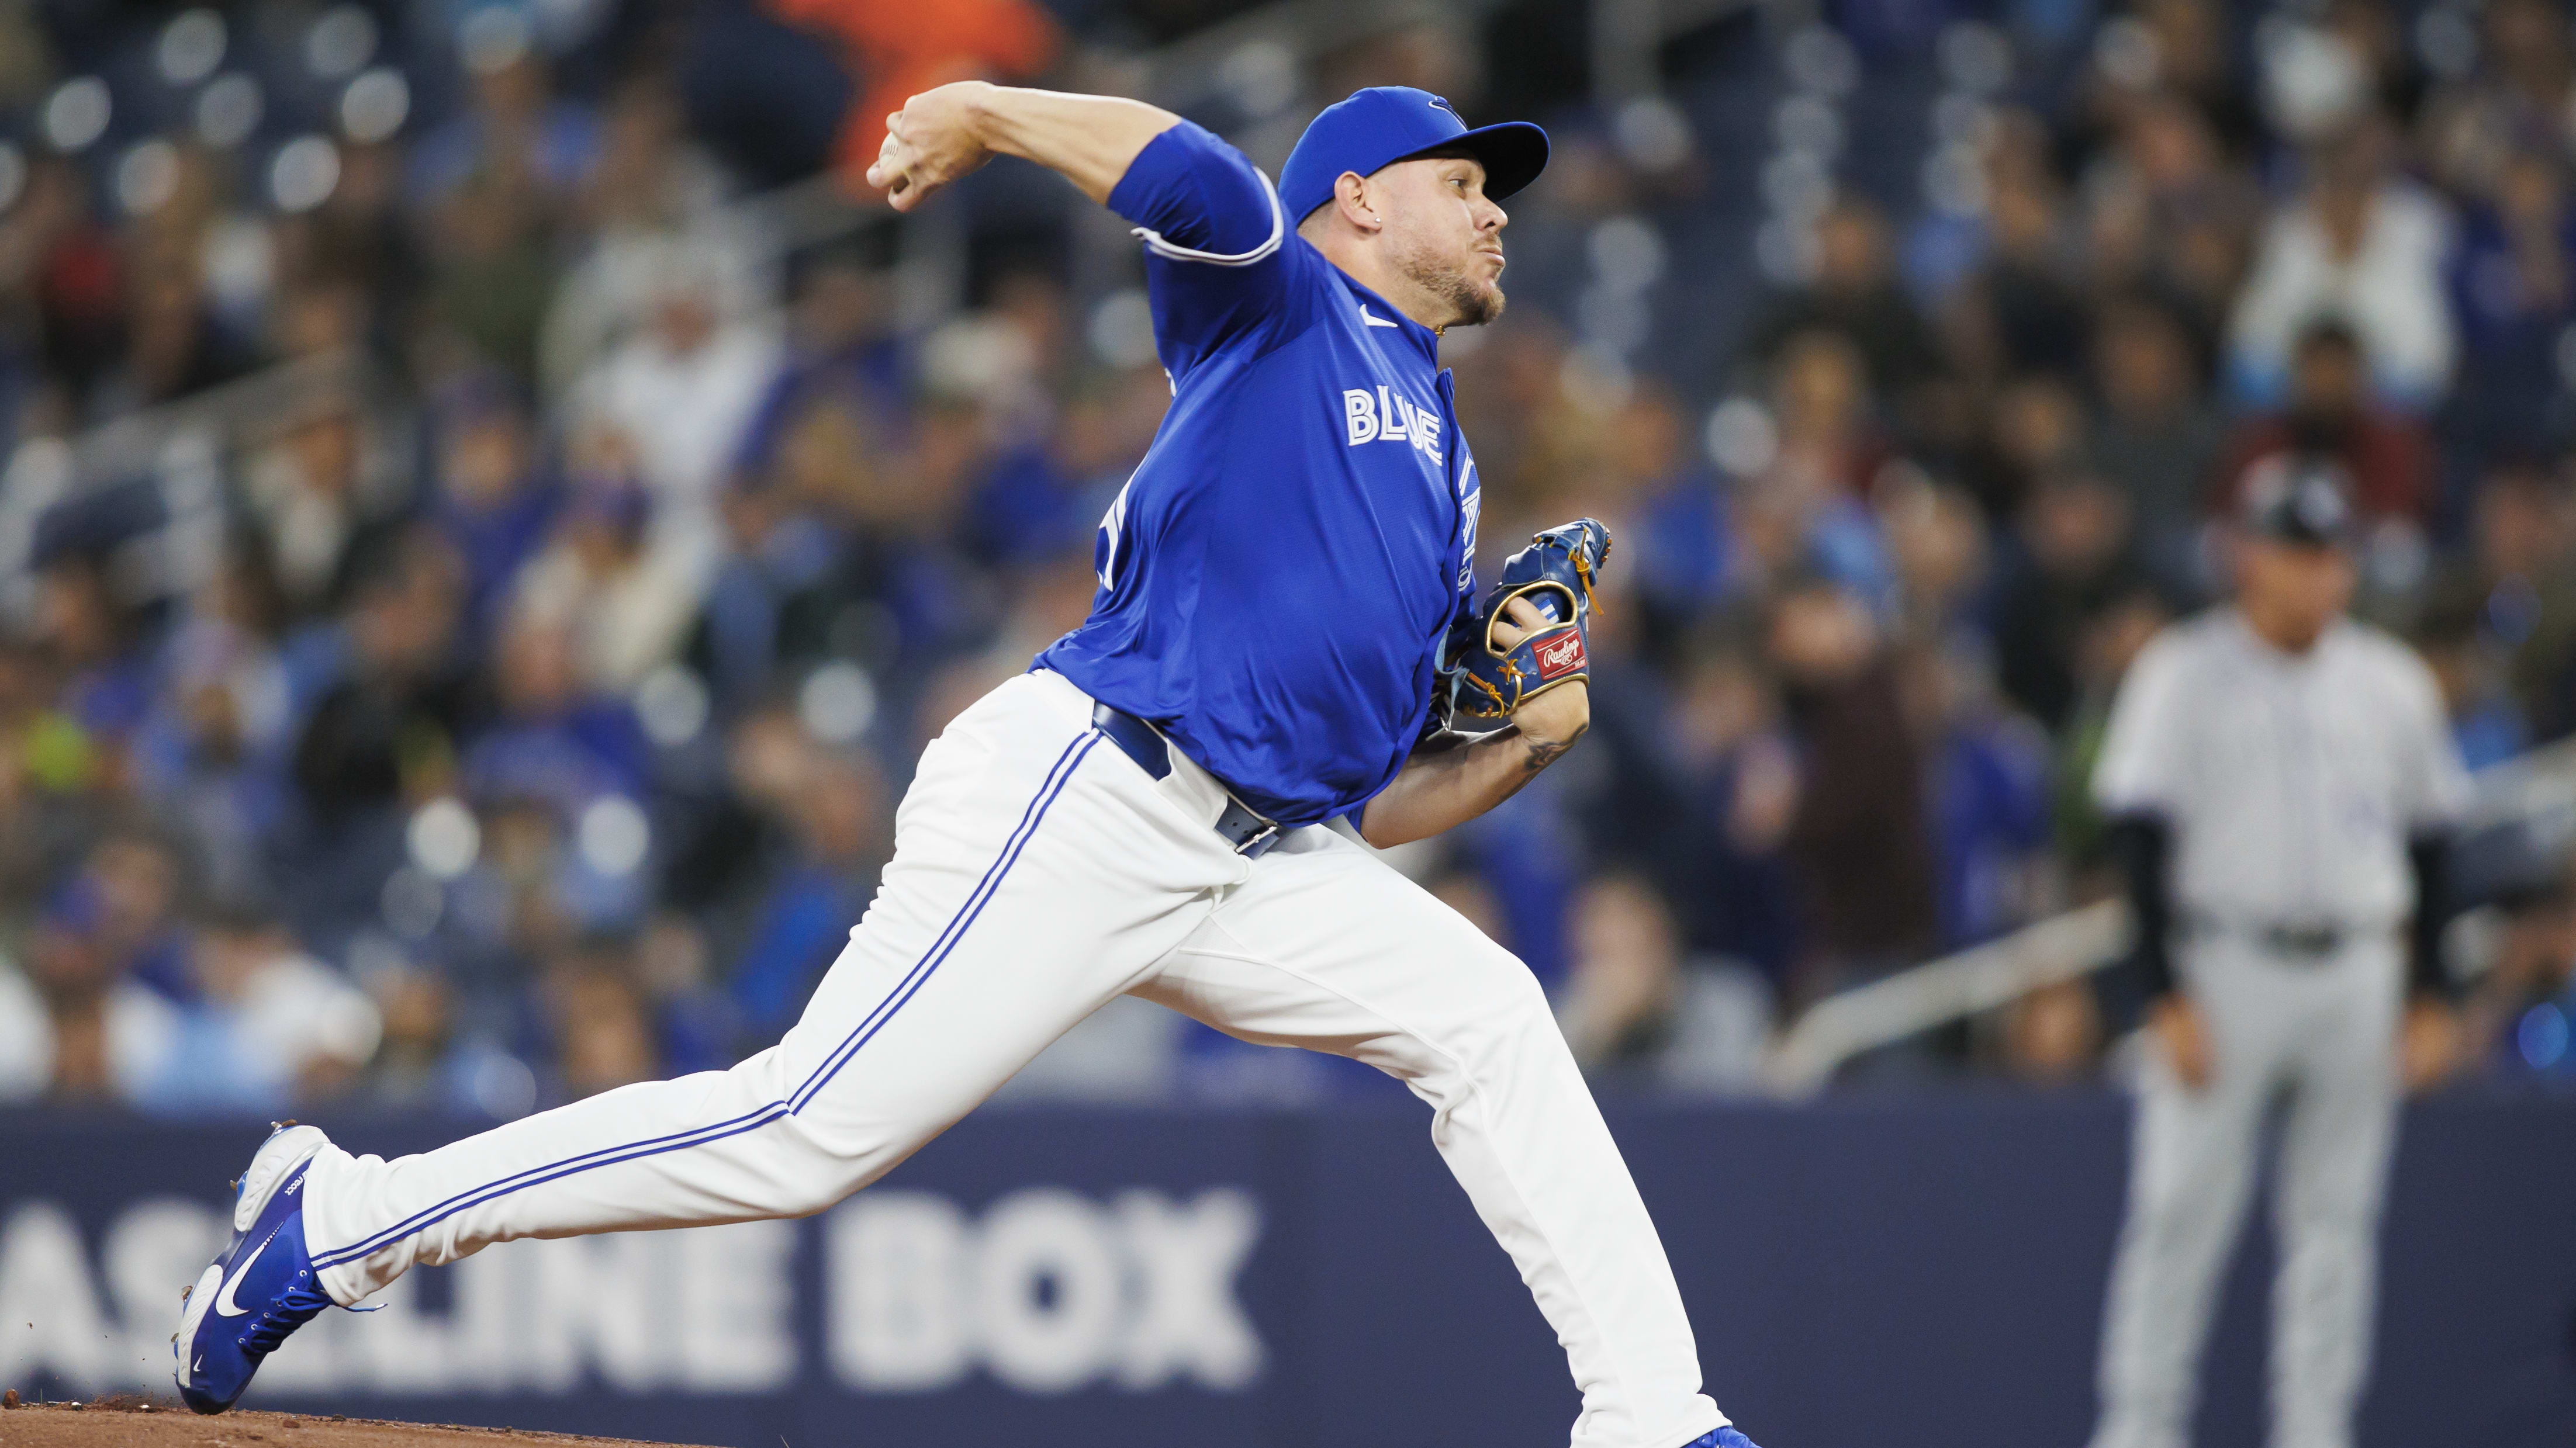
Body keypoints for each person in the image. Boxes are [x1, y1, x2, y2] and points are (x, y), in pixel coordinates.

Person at [175, 84, 1761, 1448]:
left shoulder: (1442, 450)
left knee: (1489, 1012)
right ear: (1357, 198)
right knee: (796, 1130)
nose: (1496, 215)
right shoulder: (1283, 308)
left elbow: (1367, 804)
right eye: (1466, 181)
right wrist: (989, 112)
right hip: (1093, 792)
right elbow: (1201, 176)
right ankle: (343, 1220)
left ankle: (1654, 1413)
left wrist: (1523, 748)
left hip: (1262, 853)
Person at [2086, 463, 2468, 1448]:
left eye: (2329, 554)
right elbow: (2137, 844)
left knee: (2336, 1230)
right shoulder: (2184, 669)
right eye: (2295, 551)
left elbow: (2433, 845)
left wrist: (2432, 992)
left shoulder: (2388, 680)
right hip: (2224, 965)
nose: (2314, 575)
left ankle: (2316, 1433)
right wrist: (2162, 992)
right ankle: (2139, 1432)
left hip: (2357, 968)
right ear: (2249, 554)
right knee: (2178, 1221)